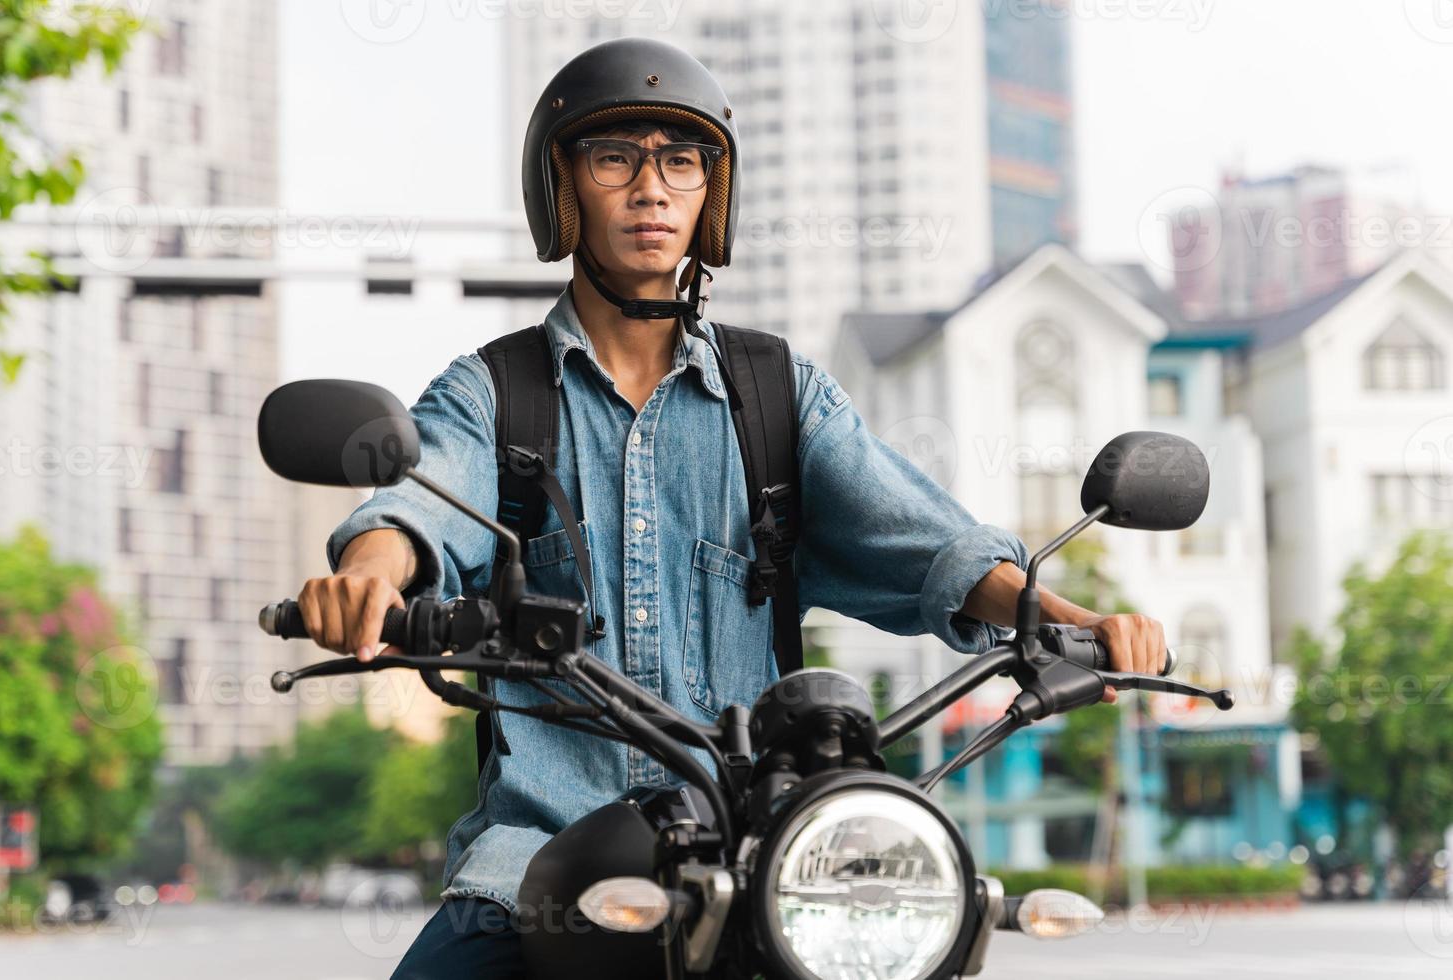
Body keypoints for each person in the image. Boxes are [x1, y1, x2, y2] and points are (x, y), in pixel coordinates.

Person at [301, 37, 1167, 979]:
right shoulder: (495, 393)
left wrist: (1076, 624)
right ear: (563, 190)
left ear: (713, 194)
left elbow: (928, 543)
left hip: (764, 859)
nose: (651, 189)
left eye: (682, 161)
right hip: (537, 872)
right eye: (613, 158)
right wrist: (369, 578)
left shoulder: (777, 396)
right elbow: (423, 500)